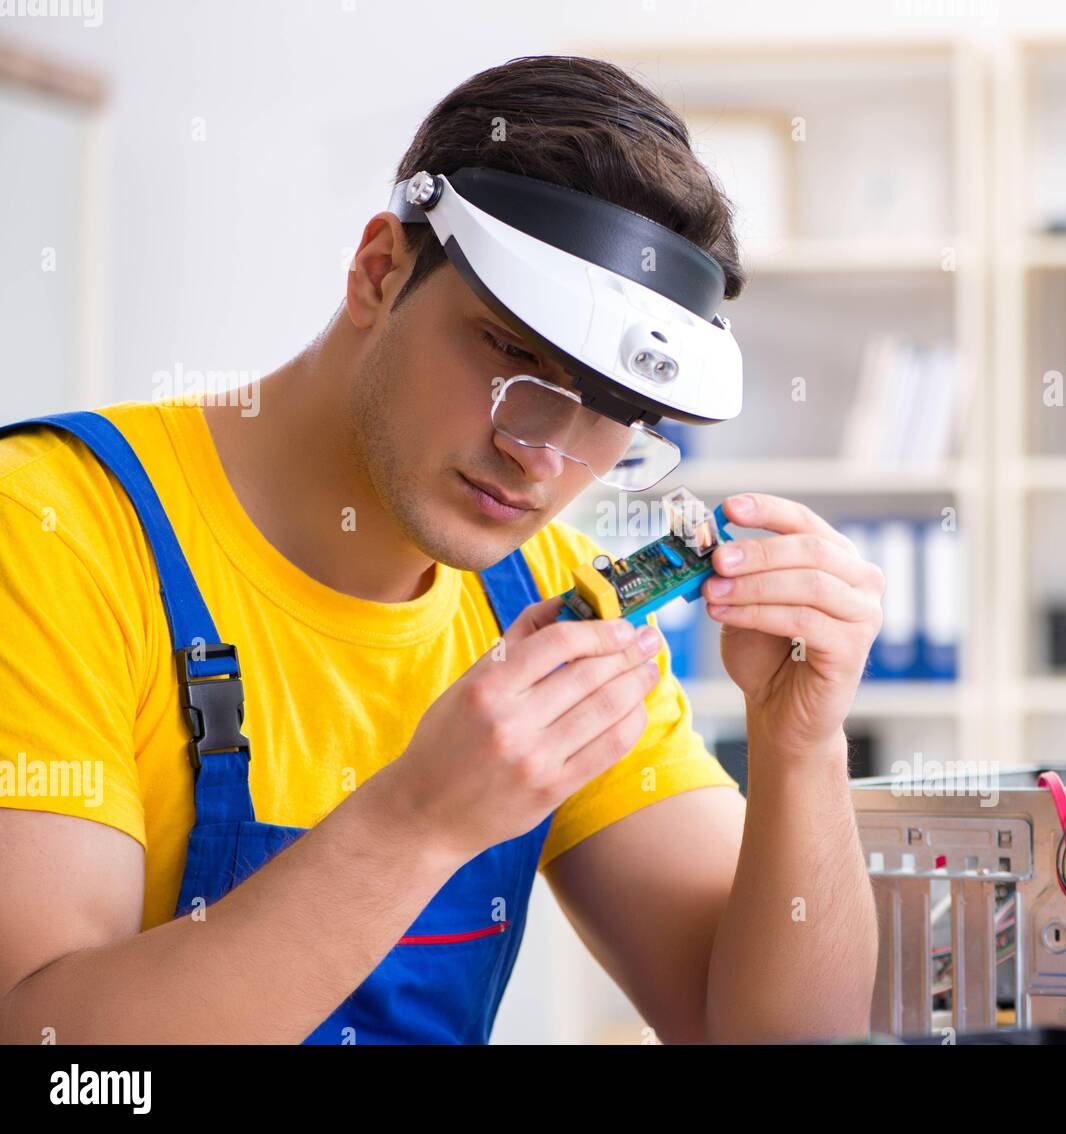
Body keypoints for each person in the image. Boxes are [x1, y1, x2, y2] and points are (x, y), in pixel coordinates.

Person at [0, 55, 883, 1044]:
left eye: (613, 413)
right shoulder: (50, 528)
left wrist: (801, 746)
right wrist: (416, 821)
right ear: (381, 271)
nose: (542, 453)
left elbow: (770, 1040)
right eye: (514, 355)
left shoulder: (543, 600)